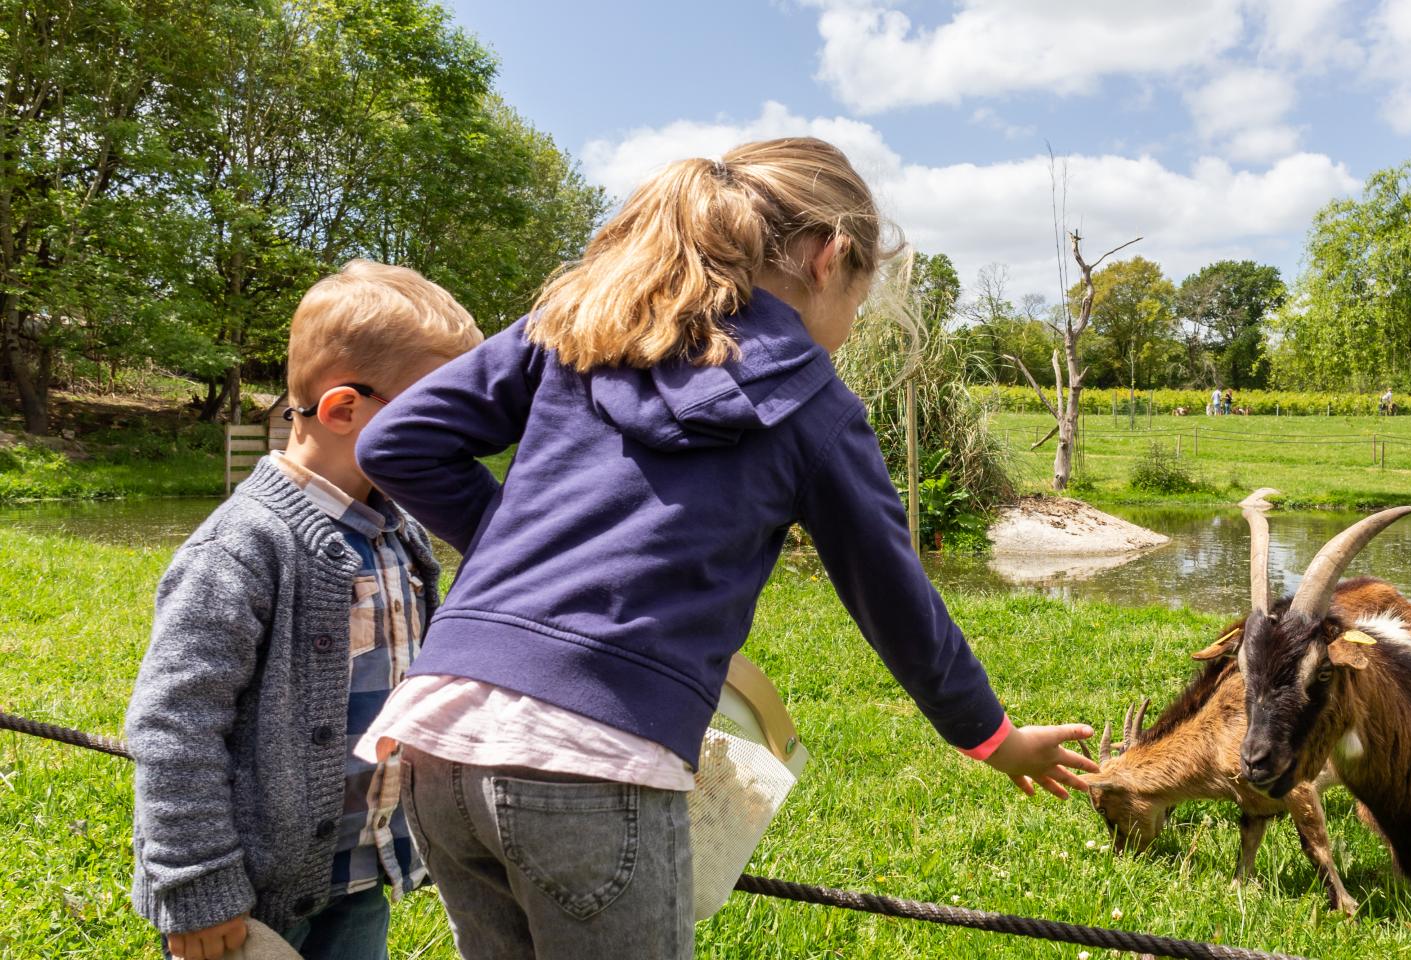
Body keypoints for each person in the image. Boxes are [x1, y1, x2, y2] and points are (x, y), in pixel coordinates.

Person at [352, 137, 1098, 960]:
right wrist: (990, 735)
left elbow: (396, 443)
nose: (851, 327)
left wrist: (509, 558)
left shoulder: (584, 324)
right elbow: (895, 601)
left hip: (435, 731)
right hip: (593, 757)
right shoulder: (814, 406)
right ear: (829, 257)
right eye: (861, 292)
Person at [124, 262, 484, 960]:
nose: (461, 441)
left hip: (355, 874)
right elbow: (175, 725)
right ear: (345, 409)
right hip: (248, 897)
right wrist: (198, 885)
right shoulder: (244, 546)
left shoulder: (400, 531)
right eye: (440, 415)